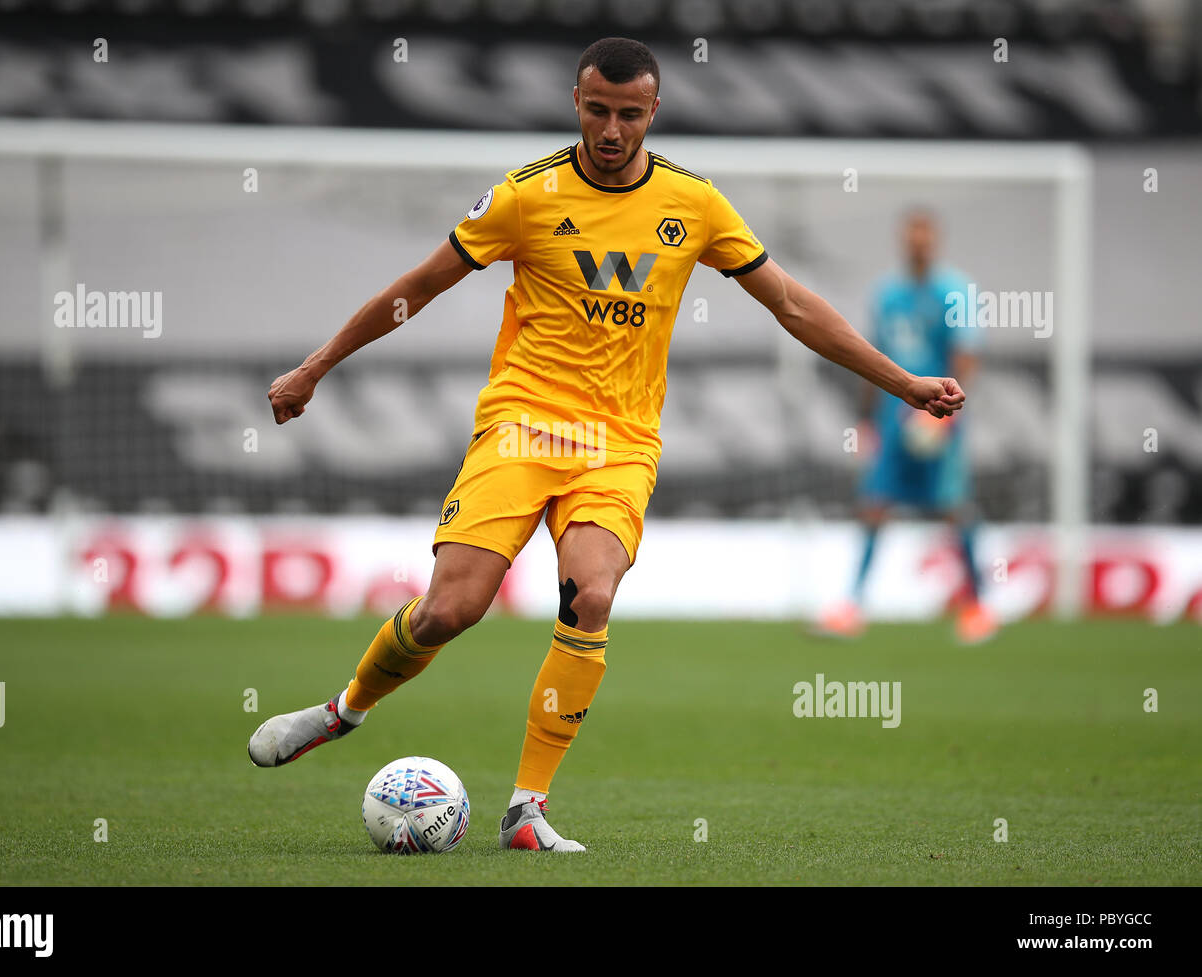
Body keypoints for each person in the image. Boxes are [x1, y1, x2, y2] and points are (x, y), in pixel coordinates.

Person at [249, 38, 966, 852]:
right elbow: (415, 289)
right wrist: (314, 368)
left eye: (630, 113)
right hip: (521, 424)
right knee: (452, 608)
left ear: (654, 112)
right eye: (598, 110)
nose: (613, 129)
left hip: (620, 442)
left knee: (590, 593)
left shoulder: (694, 204)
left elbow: (794, 306)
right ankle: (346, 710)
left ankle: (526, 808)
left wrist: (903, 382)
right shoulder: (526, 197)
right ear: (577, 102)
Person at [816, 209, 996, 644]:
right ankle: (852, 605)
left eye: (925, 234)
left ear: (935, 240)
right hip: (892, 420)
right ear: (903, 240)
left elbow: (965, 356)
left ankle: (977, 607)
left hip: (937, 416)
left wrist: (947, 413)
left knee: (955, 507)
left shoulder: (955, 291)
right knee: (875, 505)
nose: (918, 242)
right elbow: (874, 358)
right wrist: (865, 420)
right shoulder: (887, 293)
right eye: (911, 234)